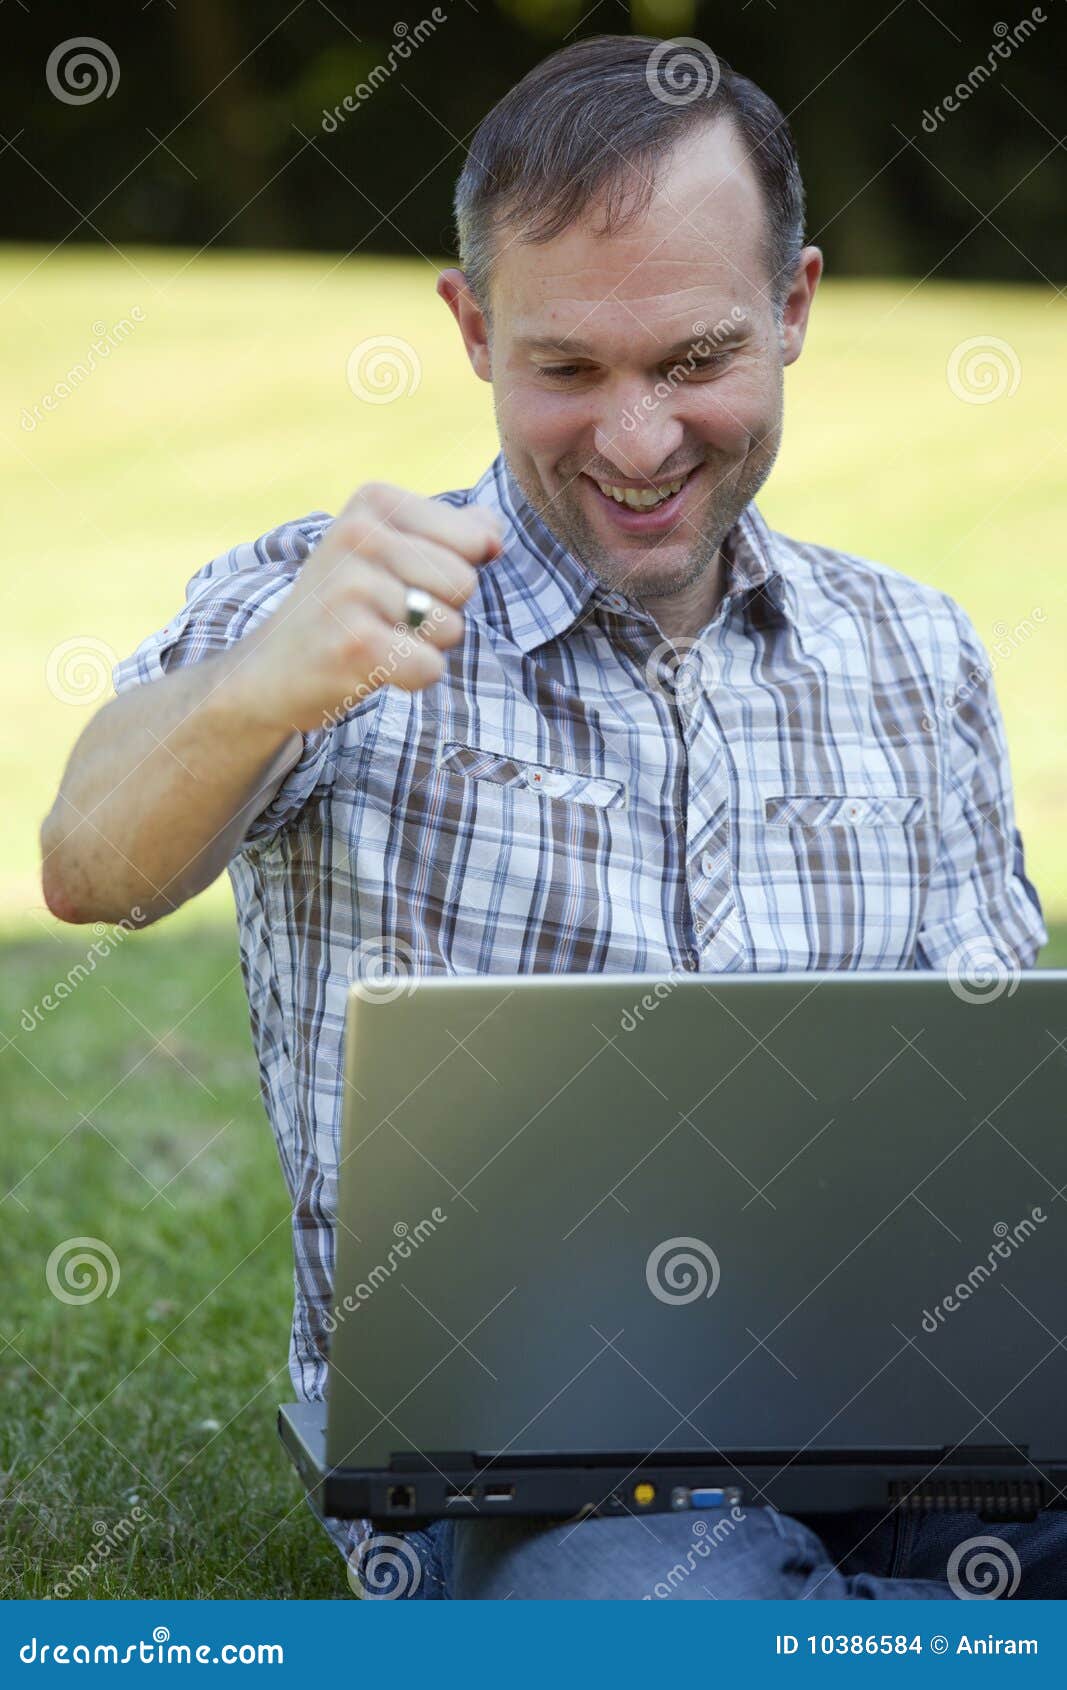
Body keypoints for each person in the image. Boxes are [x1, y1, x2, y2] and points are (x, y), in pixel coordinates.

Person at [39, 34, 1054, 1600]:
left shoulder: (912, 649)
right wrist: (256, 686)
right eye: (569, 368)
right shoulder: (335, 607)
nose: (638, 444)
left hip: (908, 1422)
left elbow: (1002, 1128)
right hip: (520, 1476)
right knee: (658, 1606)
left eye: (697, 362)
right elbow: (89, 862)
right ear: (473, 325)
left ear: (793, 308)